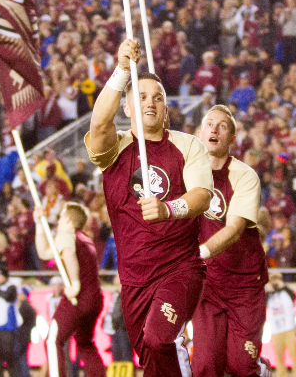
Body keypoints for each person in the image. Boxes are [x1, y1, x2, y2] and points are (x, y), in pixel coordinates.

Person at [84, 39, 214, 377]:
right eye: (141, 97)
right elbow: (98, 125)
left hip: (179, 269)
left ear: (166, 108)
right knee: (151, 360)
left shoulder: (188, 145)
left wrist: (169, 209)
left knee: (158, 340)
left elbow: (202, 195)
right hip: (133, 279)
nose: (150, 102)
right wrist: (121, 70)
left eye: (158, 97)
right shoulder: (114, 149)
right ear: (126, 108)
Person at [192, 105, 268, 377]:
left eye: (222, 126)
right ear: (199, 134)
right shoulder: (186, 174)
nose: (214, 128)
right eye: (209, 124)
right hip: (207, 284)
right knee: (205, 367)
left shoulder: (244, 175)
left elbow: (235, 229)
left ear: (232, 139)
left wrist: (199, 253)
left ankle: (260, 369)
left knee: (240, 367)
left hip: (244, 285)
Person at [34, 202, 105, 377]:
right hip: (95, 298)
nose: (58, 221)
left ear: (68, 220)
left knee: (53, 340)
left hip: (78, 297)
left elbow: (68, 253)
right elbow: (44, 252)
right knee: (85, 343)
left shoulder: (67, 234)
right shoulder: (85, 238)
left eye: (61, 217)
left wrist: (74, 283)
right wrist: (39, 224)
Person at [265, 272, 296, 377]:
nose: (275, 282)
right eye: (273, 280)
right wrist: (269, 289)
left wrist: (283, 286)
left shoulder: (286, 291)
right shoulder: (269, 294)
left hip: (289, 328)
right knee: (279, 357)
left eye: (276, 279)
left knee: (294, 355)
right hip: (276, 330)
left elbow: (294, 297)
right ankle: (281, 375)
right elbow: (263, 302)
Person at [105, 280, 132, 363]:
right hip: (114, 326)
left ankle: (128, 369)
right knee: (116, 350)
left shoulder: (126, 295)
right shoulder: (115, 294)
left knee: (125, 350)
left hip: (122, 327)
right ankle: (117, 368)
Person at [15, 287, 37, 377]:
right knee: (23, 357)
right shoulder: (30, 307)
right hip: (26, 336)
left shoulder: (23, 307)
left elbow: (19, 322)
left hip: (21, 336)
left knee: (20, 358)